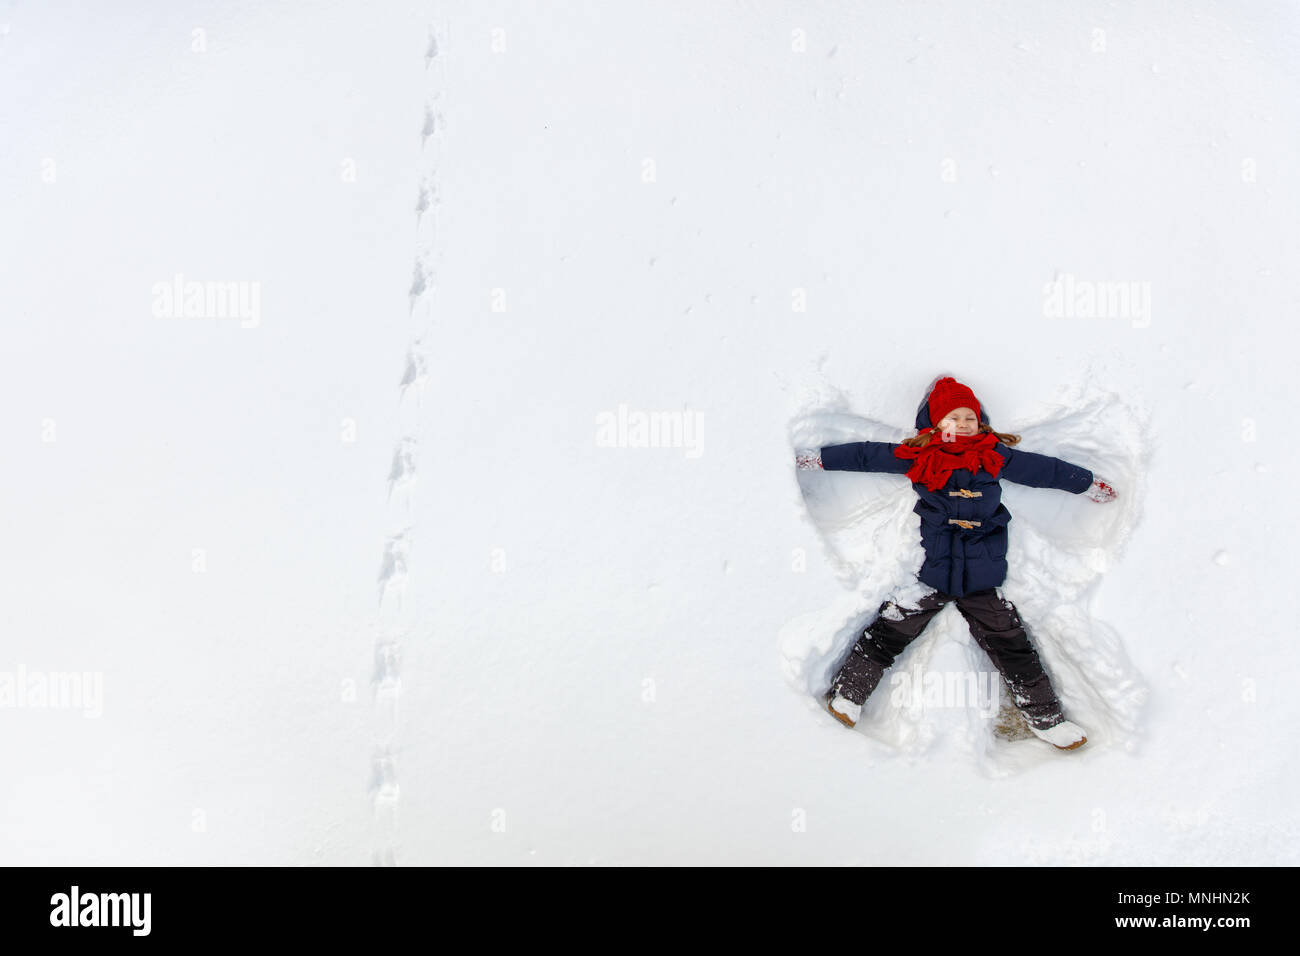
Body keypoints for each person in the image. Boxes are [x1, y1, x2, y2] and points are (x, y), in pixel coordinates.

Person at [795, 375, 1117, 750]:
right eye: (954, 417)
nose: (964, 424)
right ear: (935, 424)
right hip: (932, 571)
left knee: (1012, 643)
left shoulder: (995, 455)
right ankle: (849, 695)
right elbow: (866, 455)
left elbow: (1046, 470)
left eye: (970, 417)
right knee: (892, 628)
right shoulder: (919, 455)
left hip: (982, 572)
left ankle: (1047, 720)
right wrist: (818, 459)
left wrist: (1088, 483)